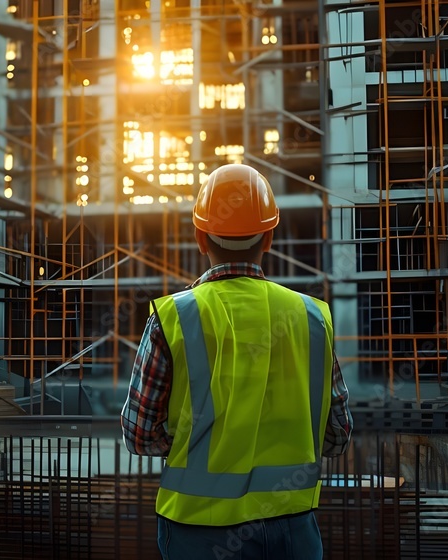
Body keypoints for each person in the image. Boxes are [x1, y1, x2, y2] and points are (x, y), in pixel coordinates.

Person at [121, 163, 353, 560]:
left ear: (199, 237)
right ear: (269, 238)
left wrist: (197, 441)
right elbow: (337, 435)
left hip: (198, 530)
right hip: (293, 529)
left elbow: (139, 435)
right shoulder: (312, 318)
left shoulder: (175, 317)